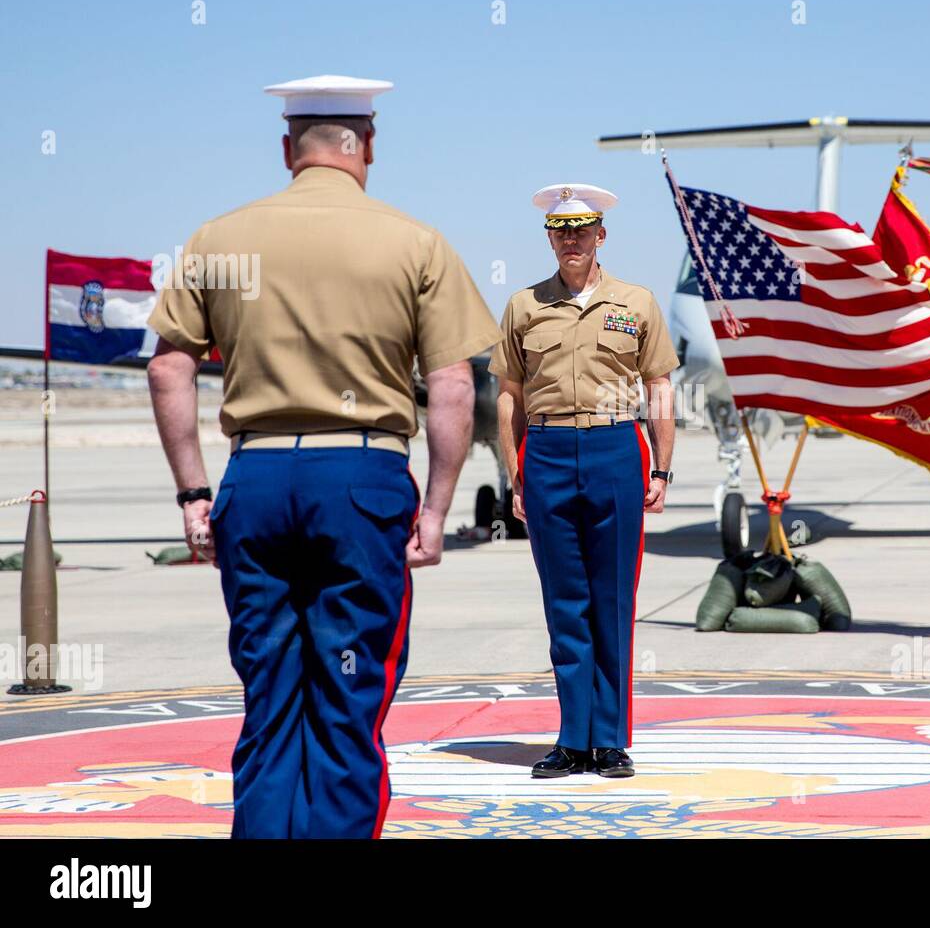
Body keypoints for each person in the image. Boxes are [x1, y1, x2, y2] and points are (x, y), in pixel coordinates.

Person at [146, 74, 501, 837]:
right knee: (348, 704)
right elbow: (452, 388)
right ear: (367, 145)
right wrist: (436, 508)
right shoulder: (415, 242)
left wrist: (192, 494)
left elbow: (168, 366)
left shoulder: (218, 238)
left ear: (288, 150)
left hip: (257, 477)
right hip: (362, 482)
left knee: (270, 701)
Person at [489, 183, 678, 779]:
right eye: (560, 229)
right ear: (549, 238)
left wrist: (662, 466)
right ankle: (573, 739)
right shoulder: (524, 306)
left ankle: (611, 739)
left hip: (616, 448)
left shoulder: (637, 301)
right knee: (564, 602)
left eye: (582, 228)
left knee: (612, 599)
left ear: (602, 234)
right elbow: (508, 397)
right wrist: (516, 474)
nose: (571, 239)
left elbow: (660, 389)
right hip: (545, 450)